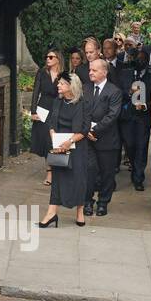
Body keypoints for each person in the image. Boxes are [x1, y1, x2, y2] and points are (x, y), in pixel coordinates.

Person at [38, 74, 92, 227]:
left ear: (71, 86)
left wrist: (69, 142)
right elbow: (50, 123)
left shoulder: (83, 104)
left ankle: (80, 212)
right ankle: (51, 213)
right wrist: (53, 136)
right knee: (57, 179)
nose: (58, 86)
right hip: (59, 146)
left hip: (77, 146)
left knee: (79, 179)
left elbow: (85, 128)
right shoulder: (57, 102)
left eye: (61, 83)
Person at [85, 58, 124, 217]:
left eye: (94, 70)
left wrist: (94, 130)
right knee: (88, 171)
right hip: (87, 139)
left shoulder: (114, 91)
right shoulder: (85, 89)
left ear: (104, 72)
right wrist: (86, 130)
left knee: (107, 173)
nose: (90, 73)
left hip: (107, 140)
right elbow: (80, 110)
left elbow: (112, 115)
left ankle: (103, 202)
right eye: (90, 70)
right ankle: (87, 201)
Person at [119, 44, 151, 191]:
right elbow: (119, 94)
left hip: (143, 119)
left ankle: (138, 177)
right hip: (128, 118)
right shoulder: (126, 74)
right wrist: (129, 92)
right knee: (130, 146)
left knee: (141, 147)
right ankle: (134, 167)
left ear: (146, 60)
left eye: (142, 59)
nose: (139, 61)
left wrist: (145, 106)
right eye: (137, 58)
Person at [30, 50, 63, 183]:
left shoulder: (63, 74)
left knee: (55, 140)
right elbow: (35, 91)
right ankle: (49, 173)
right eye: (46, 57)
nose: (47, 59)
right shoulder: (42, 72)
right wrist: (33, 111)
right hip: (43, 107)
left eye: (51, 57)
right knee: (46, 140)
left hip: (58, 108)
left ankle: (57, 170)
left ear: (58, 59)